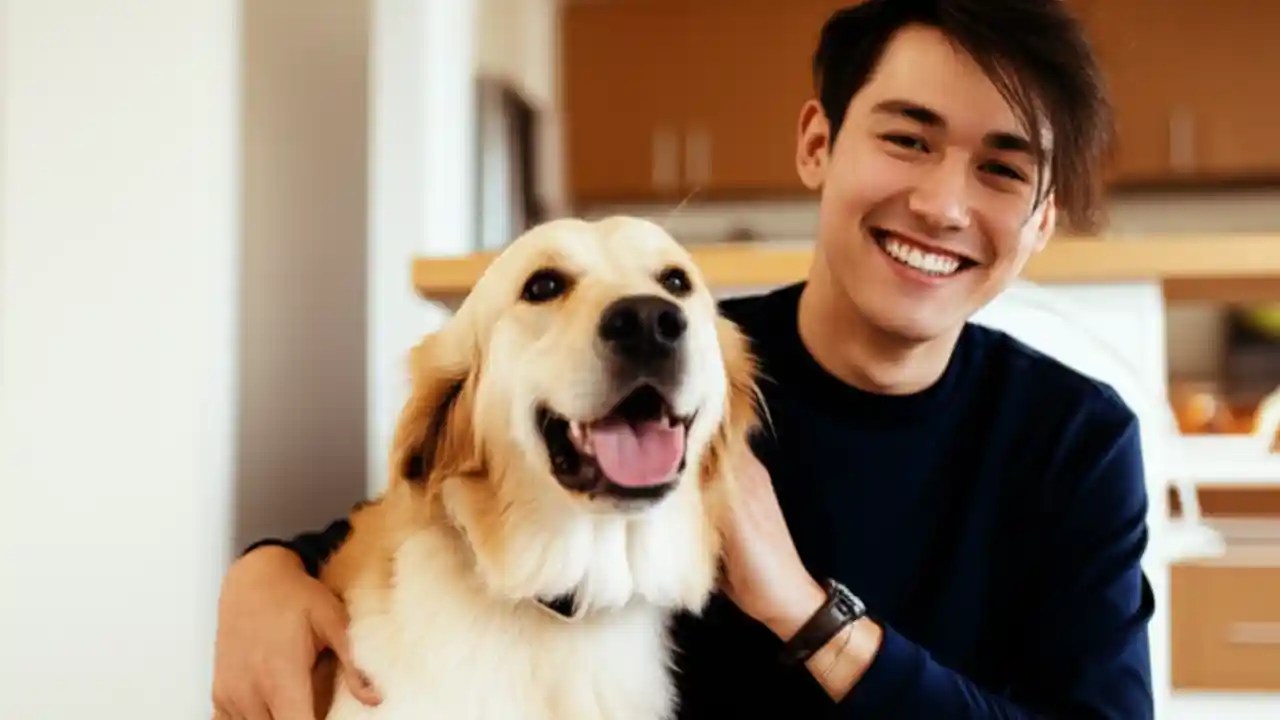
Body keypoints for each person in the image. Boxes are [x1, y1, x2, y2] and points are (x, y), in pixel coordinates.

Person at [212, 0, 1156, 717]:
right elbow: (453, 495)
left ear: (1041, 222)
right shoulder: (669, 356)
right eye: (907, 139)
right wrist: (265, 569)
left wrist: (806, 612)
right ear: (818, 144)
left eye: (1001, 169)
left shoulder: (1077, 441)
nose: (944, 205)